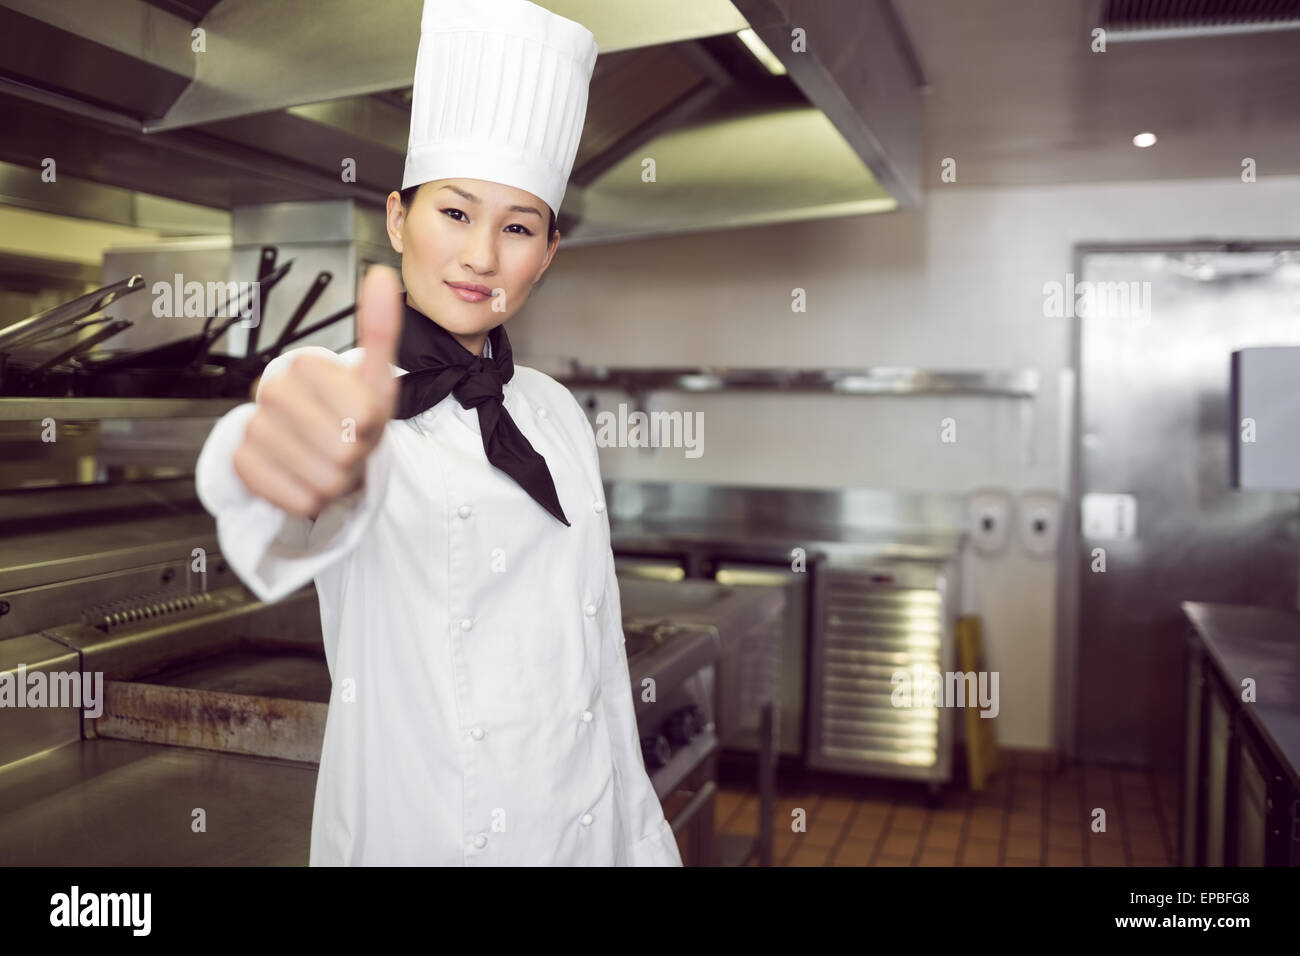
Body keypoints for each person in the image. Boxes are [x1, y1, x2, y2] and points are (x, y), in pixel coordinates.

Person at [194, 0, 682, 866]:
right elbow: (275, 490)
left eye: (518, 227)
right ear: (397, 219)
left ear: (549, 251)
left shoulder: (557, 414)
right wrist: (284, 465)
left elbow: (601, 676)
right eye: (455, 213)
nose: (483, 256)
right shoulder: (341, 393)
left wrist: (645, 847)